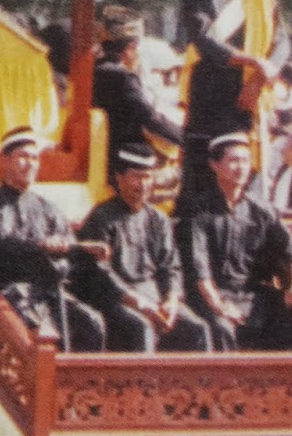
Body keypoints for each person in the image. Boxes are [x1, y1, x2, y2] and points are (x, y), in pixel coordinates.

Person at [0, 128, 107, 352]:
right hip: (7, 294)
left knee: (91, 323)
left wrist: (77, 251)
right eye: (22, 156)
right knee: (37, 331)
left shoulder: (47, 209)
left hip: (47, 292)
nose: (29, 164)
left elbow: (68, 250)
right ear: (5, 161)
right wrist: (42, 246)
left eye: (34, 158)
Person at [178, 133, 292, 351]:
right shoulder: (198, 211)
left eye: (245, 160)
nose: (240, 167)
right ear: (214, 165)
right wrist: (221, 307)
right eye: (233, 160)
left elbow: (290, 246)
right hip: (211, 296)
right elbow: (199, 270)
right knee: (222, 328)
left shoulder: (260, 209)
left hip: (251, 294)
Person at [73, 146, 211, 353]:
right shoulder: (102, 217)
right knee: (142, 327)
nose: (143, 184)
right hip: (118, 300)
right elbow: (102, 274)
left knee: (198, 329)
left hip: (155, 297)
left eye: (148, 177)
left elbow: (171, 267)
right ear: (119, 178)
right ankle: (146, 387)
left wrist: (171, 301)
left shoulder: (159, 220)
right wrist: (140, 303)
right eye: (136, 177)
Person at [178, 0, 271, 209]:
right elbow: (205, 42)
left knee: (245, 185)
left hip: (245, 101)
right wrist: (253, 62)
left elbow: (280, 44)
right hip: (208, 98)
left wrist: (258, 79)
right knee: (200, 185)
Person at [93, 7, 182, 171]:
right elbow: (151, 119)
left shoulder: (94, 70)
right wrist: (186, 139)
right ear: (131, 47)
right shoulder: (122, 77)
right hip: (126, 161)